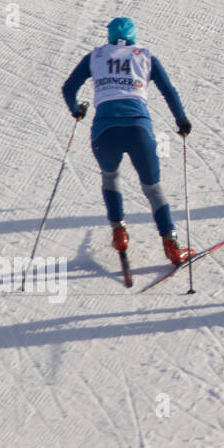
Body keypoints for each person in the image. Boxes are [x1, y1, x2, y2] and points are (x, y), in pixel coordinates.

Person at [61, 17, 193, 263]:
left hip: (104, 132)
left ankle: (119, 231)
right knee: (152, 188)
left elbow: (68, 88)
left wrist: (77, 109)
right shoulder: (145, 57)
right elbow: (169, 91)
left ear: (109, 35)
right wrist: (181, 121)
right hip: (138, 129)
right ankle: (171, 244)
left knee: (110, 177)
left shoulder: (96, 56)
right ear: (133, 35)